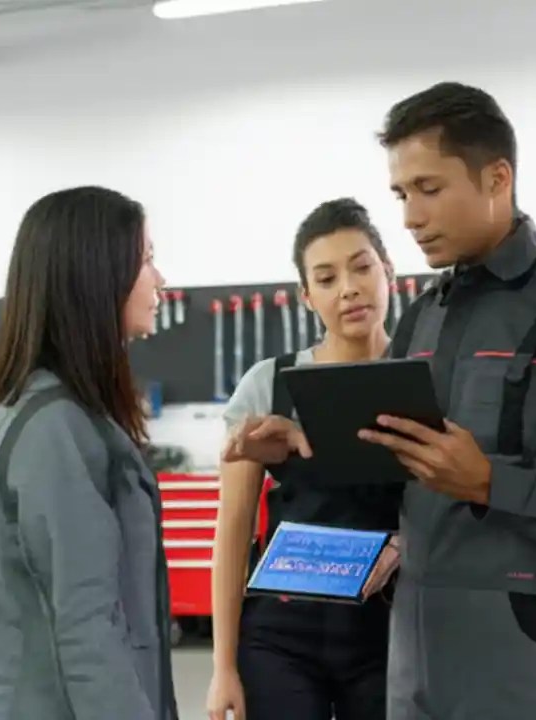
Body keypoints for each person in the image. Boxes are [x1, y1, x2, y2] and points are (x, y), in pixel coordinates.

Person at [228, 83, 536, 720]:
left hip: (532, 662)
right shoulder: (422, 319)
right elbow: (397, 472)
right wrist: (302, 448)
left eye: (429, 189)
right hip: (415, 655)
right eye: (401, 194)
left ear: (497, 178)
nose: (410, 216)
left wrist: (493, 482)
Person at [0, 186, 179, 720]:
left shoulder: (29, 412)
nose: (161, 279)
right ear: (95, 276)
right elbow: (88, 631)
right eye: (146, 259)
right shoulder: (56, 431)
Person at [206, 198, 403, 720]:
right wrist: (223, 667)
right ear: (307, 295)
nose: (349, 288)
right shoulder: (268, 385)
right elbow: (232, 535)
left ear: (389, 271)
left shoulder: (424, 377)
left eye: (362, 267)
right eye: (327, 277)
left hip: (391, 634)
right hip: (281, 637)